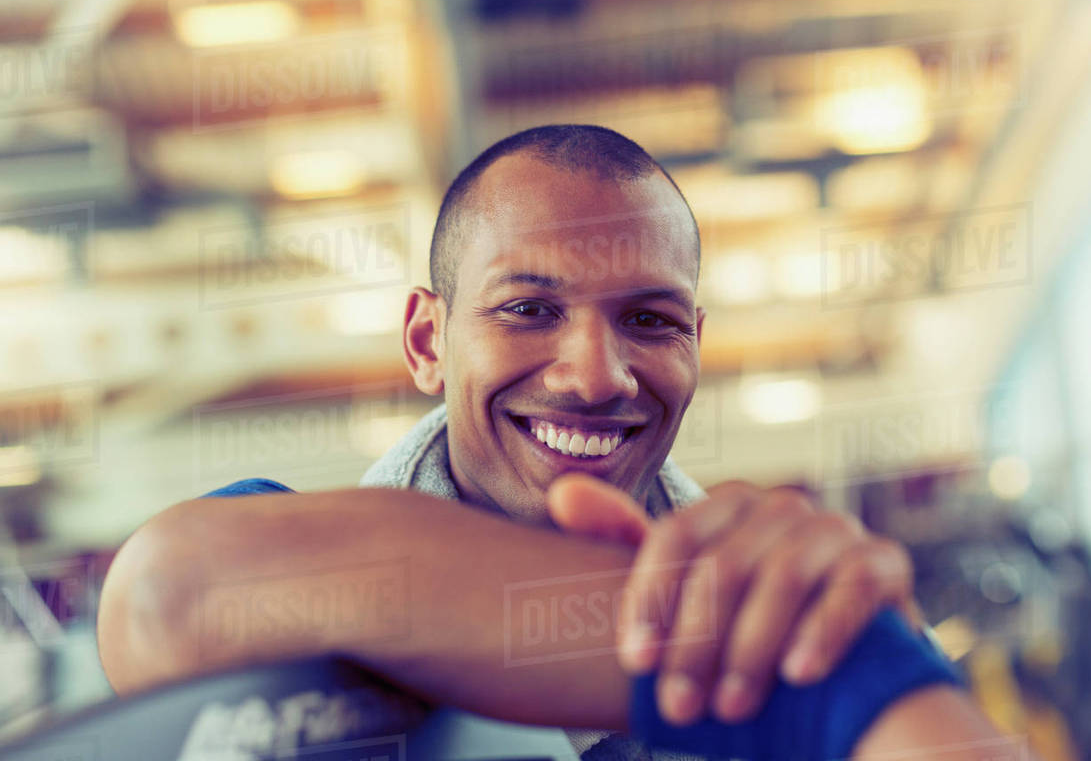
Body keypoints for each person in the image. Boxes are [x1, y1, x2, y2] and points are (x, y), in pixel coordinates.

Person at [97, 125, 1020, 760]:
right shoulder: (283, 582)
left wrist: (857, 657)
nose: (593, 375)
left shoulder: (793, 607)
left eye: (651, 321)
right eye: (529, 309)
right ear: (427, 341)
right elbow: (169, 596)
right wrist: (815, 680)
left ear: (696, 342)